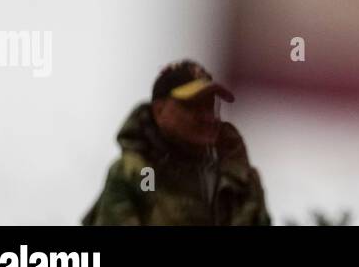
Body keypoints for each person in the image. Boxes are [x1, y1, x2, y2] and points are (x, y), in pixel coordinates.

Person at [83, 60, 271, 225]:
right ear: (160, 111)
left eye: (210, 106)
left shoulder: (241, 180)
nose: (207, 117)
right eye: (193, 105)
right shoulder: (133, 173)